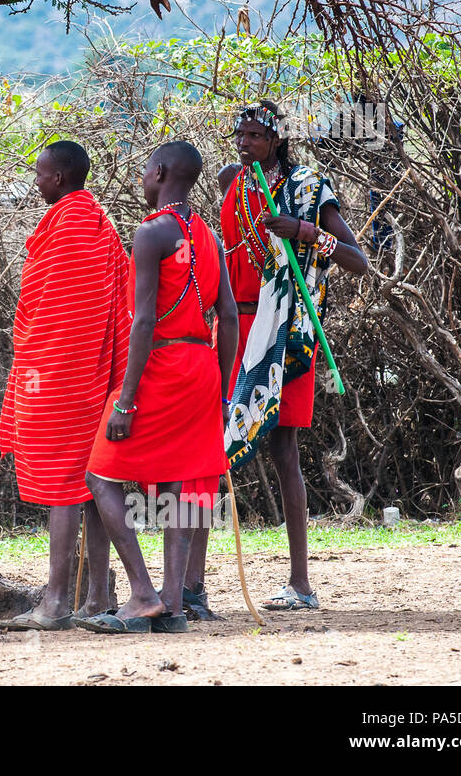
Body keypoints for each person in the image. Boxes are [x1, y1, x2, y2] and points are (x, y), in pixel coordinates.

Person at [184, 101, 367, 616]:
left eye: (255, 137)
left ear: (279, 139)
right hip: (231, 329)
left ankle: (301, 583)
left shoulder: (309, 189)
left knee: (284, 450)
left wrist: (305, 232)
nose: (244, 145)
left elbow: (358, 261)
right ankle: (192, 587)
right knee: (210, 447)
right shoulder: (231, 179)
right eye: (240, 135)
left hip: (285, 335)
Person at [78, 141, 238, 634]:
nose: (142, 178)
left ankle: (143, 594)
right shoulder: (209, 236)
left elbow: (143, 321)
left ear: (161, 171)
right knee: (180, 483)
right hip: (203, 368)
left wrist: (125, 399)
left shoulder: (150, 233)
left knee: (100, 476)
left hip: (161, 366)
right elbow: (228, 316)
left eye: (146, 170)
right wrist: (224, 390)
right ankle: (171, 606)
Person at [0, 140, 129, 631]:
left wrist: (37, 364)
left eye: (41, 173)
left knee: (63, 487)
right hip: (98, 375)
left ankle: (54, 602)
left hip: (60, 375)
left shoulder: (71, 226)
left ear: (60, 178)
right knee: (94, 484)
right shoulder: (99, 222)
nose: (36, 181)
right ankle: (95, 599)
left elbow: (56, 314)